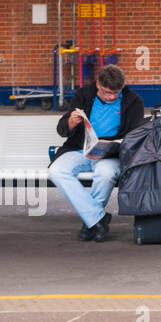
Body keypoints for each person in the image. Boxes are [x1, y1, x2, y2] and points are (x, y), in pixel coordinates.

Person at [48, 64, 144, 242]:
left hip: (111, 154)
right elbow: (62, 130)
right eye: (107, 92)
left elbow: (136, 136)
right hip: (79, 149)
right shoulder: (83, 96)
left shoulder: (133, 101)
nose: (112, 96)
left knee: (105, 173)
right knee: (56, 171)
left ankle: (90, 222)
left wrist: (115, 146)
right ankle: (98, 218)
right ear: (98, 85)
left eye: (116, 93)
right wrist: (71, 122)